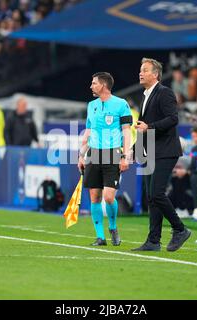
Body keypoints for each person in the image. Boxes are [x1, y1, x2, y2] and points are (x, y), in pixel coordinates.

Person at [132, 58, 191, 252]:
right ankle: (153, 241)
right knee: (151, 197)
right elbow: (142, 128)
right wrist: (133, 151)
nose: (140, 73)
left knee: (156, 193)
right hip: (150, 151)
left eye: (145, 70)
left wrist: (151, 127)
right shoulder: (146, 95)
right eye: (140, 70)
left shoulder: (164, 92)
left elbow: (173, 119)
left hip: (165, 150)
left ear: (155, 74)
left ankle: (180, 229)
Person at [78, 72, 132, 246]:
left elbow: (126, 131)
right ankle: (100, 237)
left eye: (94, 83)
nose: (91, 86)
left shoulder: (121, 104)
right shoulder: (91, 105)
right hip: (93, 154)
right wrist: (80, 155)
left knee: (108, 197)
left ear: (103, 85)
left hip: (113, 153)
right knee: (94, 197)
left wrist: (125, 155)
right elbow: (88, 131)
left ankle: (113, 227)